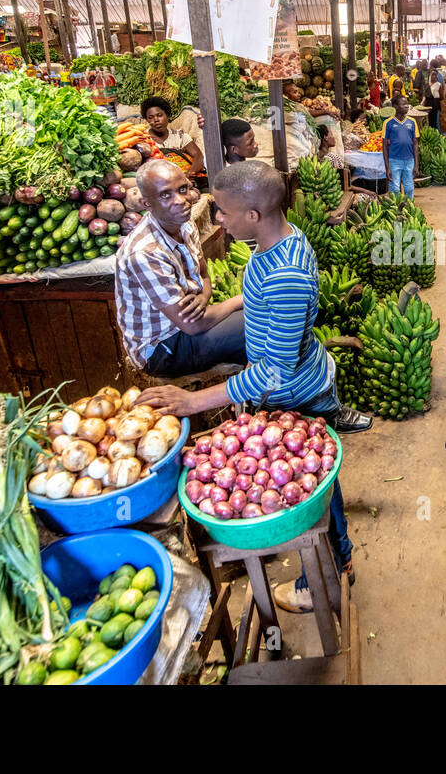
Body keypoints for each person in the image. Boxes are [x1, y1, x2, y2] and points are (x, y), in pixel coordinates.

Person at [136, 160, 372, 611]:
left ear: (252, 216)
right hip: (296, 383)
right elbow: (260, 289)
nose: (215, 219)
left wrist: (194, 400)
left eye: (222, 211)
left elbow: (273, 372)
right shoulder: (281, 241)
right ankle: (338, 560)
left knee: (315, 492)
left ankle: (321, 576)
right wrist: (225, 306)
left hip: (297, 393)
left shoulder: (286, 276)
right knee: (320, 485)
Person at [115, 159, 246, 378]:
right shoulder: (145, 252)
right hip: (162, 348)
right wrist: (240, 300)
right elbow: (192, 326)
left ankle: (261, 398)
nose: (181, 201)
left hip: (187, 327)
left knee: (262, 322)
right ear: (147, 204)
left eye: (183, 189)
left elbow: (203, 274)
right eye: (165, 195)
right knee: (256, 325)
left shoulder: (185, 223)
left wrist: (203, 298)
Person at [141, 96, 205, 174]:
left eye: (159, 115)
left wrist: (188, 175)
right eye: (150, 117)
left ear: (168, 116)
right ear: (147, 120)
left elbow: (198, 157)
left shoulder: (180, 136)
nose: (156, 120)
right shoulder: (143, 139)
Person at [382, 95, 419, 197]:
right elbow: (384, 146)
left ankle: (409, 208)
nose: (407, 106)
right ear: (395, 106)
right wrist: (387, 167)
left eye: (407, 104)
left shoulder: (412, 122)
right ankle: (396, 209)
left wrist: (416, 164)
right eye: (404, 104)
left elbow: (415, 143)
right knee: (394, 188)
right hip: (394, 161)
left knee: (409, 187)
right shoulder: (388, 123)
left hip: (409, 160)